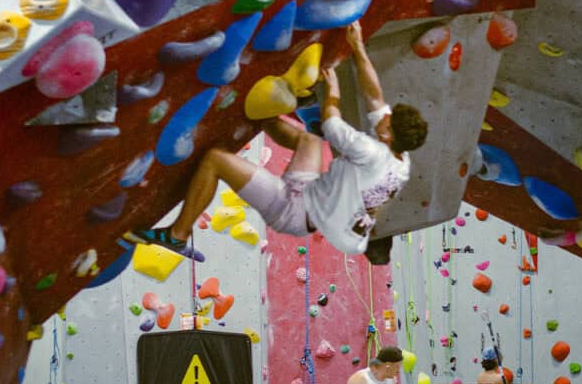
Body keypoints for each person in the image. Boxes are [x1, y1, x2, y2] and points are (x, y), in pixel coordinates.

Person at [129, 21, 428, 260]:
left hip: (291, 211)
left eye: (386, 121)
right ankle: (265, 115)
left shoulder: (372, 152)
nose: (382, 116)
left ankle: (178, 235)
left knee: (215, 159)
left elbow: (331, 122)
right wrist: (357, 47)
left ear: (388, 134)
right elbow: (375, 97)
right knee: (310, 143)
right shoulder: (401, 163)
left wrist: (333, 89)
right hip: (311, 193)